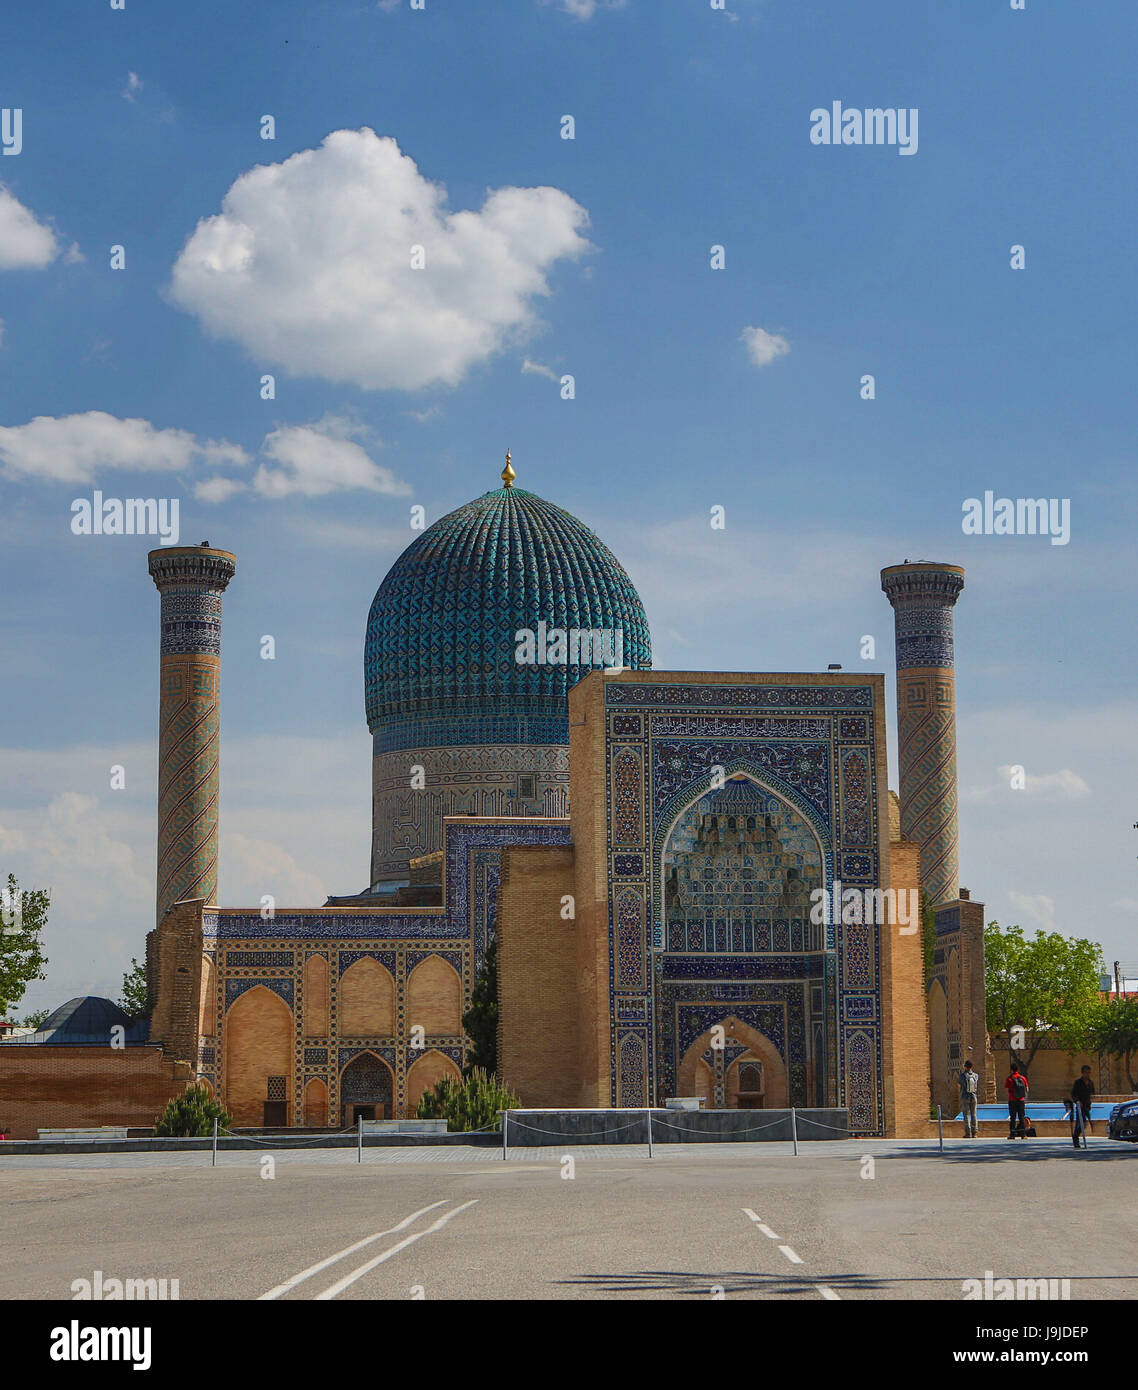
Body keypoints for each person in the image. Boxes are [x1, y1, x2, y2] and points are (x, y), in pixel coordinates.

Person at [1071, 1065, 1095, 1146]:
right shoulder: (1078, 1082)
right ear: (1082, 1073)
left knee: (1086, 1123)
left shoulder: (1091, 1083)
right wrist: (1077, 1101)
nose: (1087, 1074)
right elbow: (1073, 1094)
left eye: (1089, 1073)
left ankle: (1075, 1137)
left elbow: (1092, 1094)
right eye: (1086, 1073)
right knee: (1081, 1123)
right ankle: (1075, 1139)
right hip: (1080, 1106)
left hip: (1087, 1106)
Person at [1005, 1063, 1029, 1139]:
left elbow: (1006, 1090)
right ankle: (1023, 1134)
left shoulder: (1009, 1079)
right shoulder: (1023, 1078)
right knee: (1021, 1117)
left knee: (1013, 1117)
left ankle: (1012, 1134)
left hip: (1012, 1100)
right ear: (1017, 1070)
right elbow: (1027, 1089)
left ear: (1011, 1070)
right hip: (1021, 1100)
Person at [958, 1059, 980, 1137]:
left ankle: (967, 1133)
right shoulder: (976, 1075)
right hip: (974, 1096)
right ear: (972, 1066)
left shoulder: (962, 1076)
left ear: (965, 1066)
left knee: (966, 1114)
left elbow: (960, 1083)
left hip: (965, 1096)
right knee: (974, 1114)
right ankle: (974, 1133)